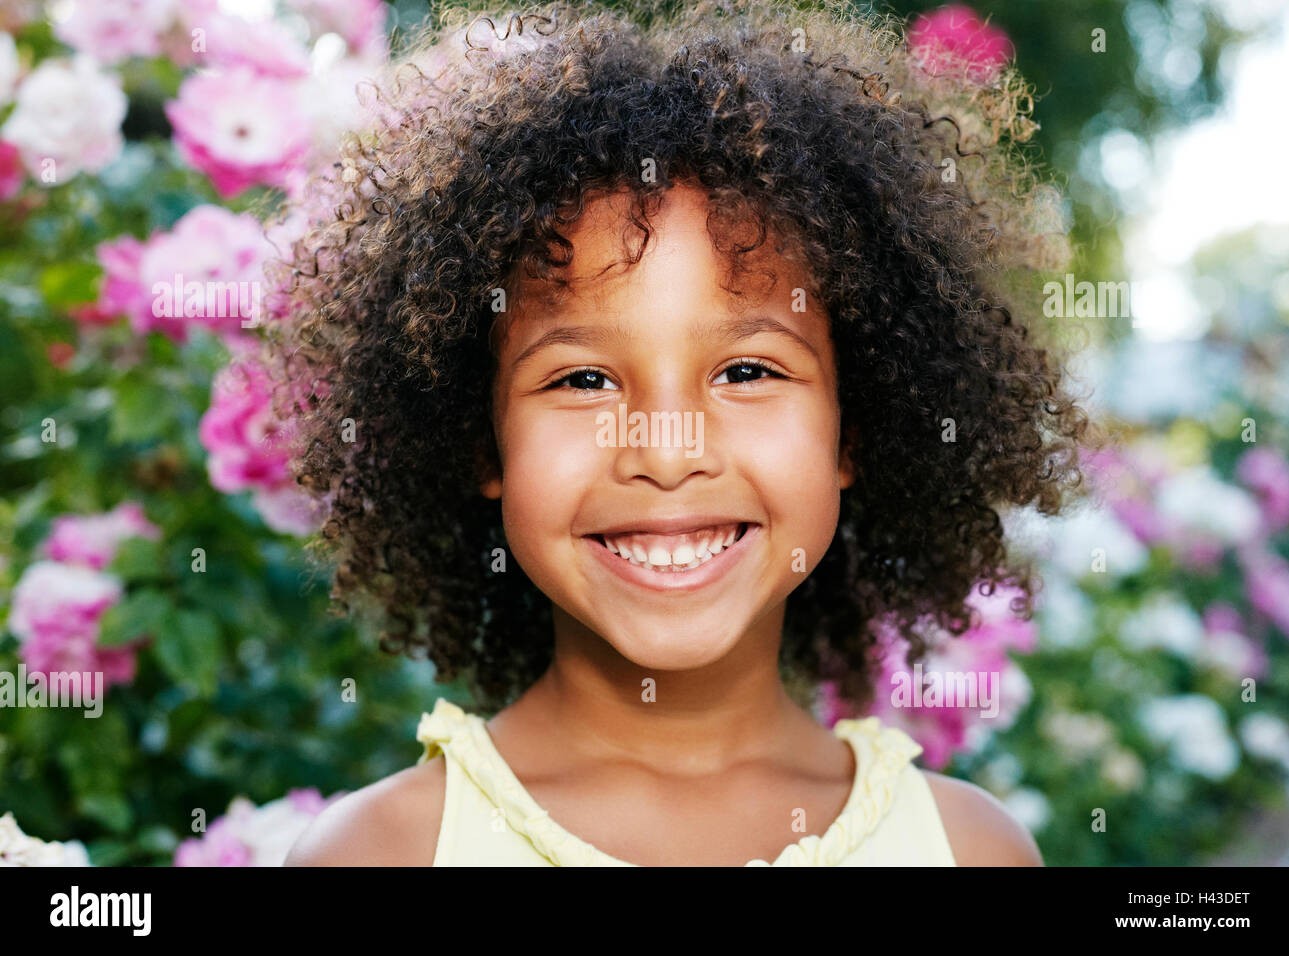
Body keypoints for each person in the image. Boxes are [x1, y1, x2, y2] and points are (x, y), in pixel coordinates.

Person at [280, 0, 1095, 866]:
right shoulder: (381, 852)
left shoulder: (971, 852)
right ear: (483, 442)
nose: (667, 453)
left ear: (854, 429)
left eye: (747, 372)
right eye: (583, 380)